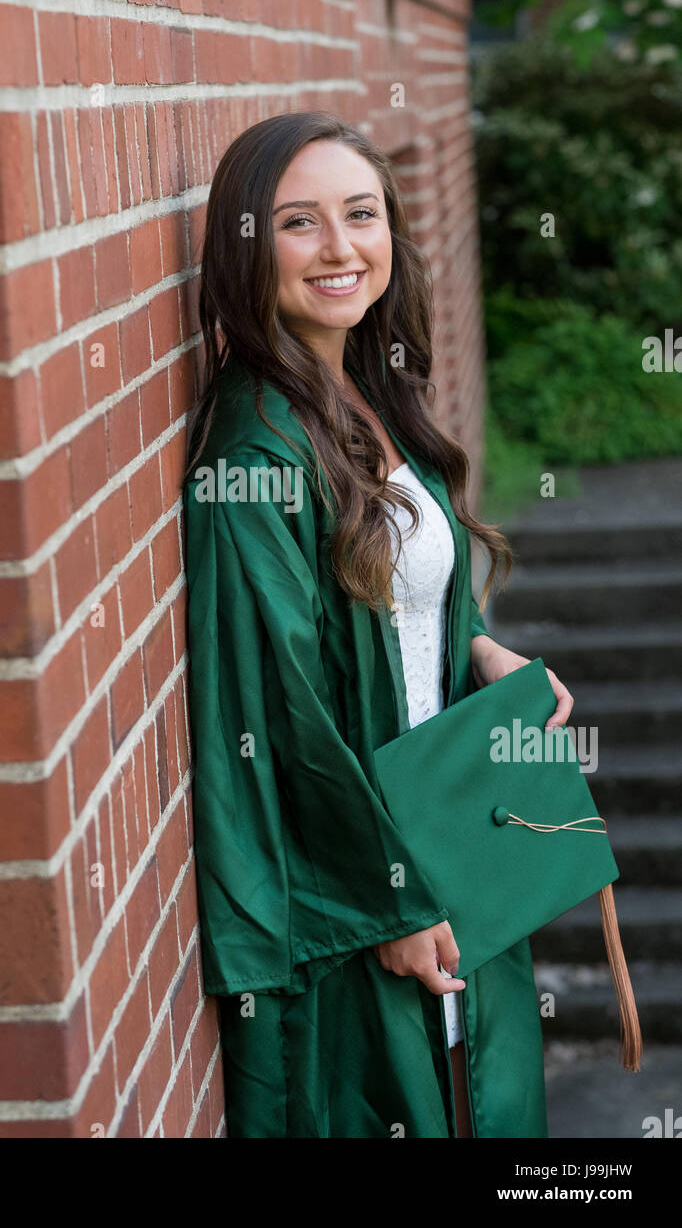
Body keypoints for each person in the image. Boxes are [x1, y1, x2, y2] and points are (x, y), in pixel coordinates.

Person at [181, 111, 574, 1138]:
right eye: (298, 224)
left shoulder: (361, 384)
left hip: (442, 828)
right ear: (244, 246)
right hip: (370, 880)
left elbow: (402, 564)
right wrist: (389, 903)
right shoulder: (255, 454)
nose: (339, 248)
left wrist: (475, 635)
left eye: (358, 215)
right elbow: (287, 707)